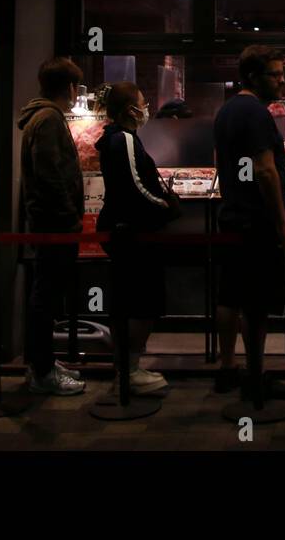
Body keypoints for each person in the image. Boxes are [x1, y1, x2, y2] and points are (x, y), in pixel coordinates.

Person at [213, 46, 285, 408]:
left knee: (231, 296)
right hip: (256, 222)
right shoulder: (256, 114)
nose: (282, 80)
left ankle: (229, 368)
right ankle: (255, 379)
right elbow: (264, 171)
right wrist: (282, 225)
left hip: (232, 216)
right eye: (275, 74)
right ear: (252, 77)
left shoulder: (227, 110)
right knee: (257, 303)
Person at [95, 82, 178, 395]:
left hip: (126, 230)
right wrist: (166, 206)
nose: (146, 108)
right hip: (134, 232)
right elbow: (135, 186)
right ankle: (129, 369)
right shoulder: (125, 139)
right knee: (142, 301)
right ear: (130, 109)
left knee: (128, 300)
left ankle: (126, 368)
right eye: (143, 102)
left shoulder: (118, 139)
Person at [17, 58, 88, 396]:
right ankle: (42, 370)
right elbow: (50, 176)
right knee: (46, 296)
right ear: (70, 87)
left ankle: (42, 362)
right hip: (54, 225)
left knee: (45, 294)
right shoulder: (48, 120)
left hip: (49, 222)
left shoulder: (42, 117)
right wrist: (70, 218)